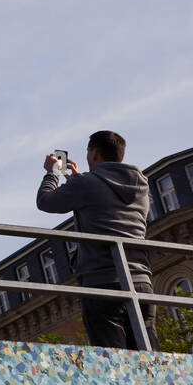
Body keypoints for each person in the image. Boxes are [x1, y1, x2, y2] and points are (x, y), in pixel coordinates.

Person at [36, 130, 158, 350]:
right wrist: (78, 179)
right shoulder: (141, 187)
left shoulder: (86, 184)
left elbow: (46, 201)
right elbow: (107, 203)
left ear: (94, 153)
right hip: (141, 281)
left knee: (113, 360)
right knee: (149, 358)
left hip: (102, 282)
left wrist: (53, 172)